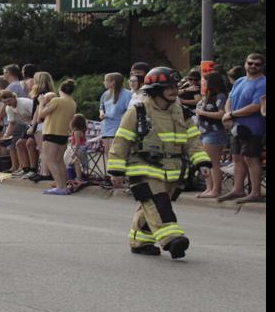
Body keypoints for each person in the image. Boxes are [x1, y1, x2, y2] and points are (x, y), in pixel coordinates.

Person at [108, 67, 210, 260]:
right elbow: (121, 141)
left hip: (173, 171)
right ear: (155, 89)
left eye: (174, 86)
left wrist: (202, 161)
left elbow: (193, 141)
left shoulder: (182, 113)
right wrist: (116, 171)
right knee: (159, 204)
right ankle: (173, 239)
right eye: (168, 87)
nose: (174, 90)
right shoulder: (138, 111)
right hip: (143, 168)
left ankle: (140, 240)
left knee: (150, 207)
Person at [223, 53, 266, 203]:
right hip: (236, 126)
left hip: (253, 128)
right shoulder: (240, 81)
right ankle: (237, 189)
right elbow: (230, 98)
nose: (253, 66)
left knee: (251, 158)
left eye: (257, 64)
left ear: (262, 66)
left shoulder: (263, 83)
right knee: (237, 158)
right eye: (250, 63)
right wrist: (228, 114)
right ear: (245, 63)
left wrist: (231, 114)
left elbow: (256, 106)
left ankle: (255, 192)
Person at [193, 70, 231, 199]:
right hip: (203, 132)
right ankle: (208, 188)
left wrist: (203, 113)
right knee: (205, 162)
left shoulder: (220, 96)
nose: (201, 83)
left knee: (214, 162)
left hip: (214, 132)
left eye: (204, 81)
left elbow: (221, 113)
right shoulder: (206, 96)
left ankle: (216, 189)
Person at [38, 77, 77, 194]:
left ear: (60, 89)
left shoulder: (57, 100)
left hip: (51, 131)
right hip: (63, 133)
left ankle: (60, 186)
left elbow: (41, 114)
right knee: (59, 160)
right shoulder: (72, 103)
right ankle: (63, 185)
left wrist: (41, 103)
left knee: (50, 159)